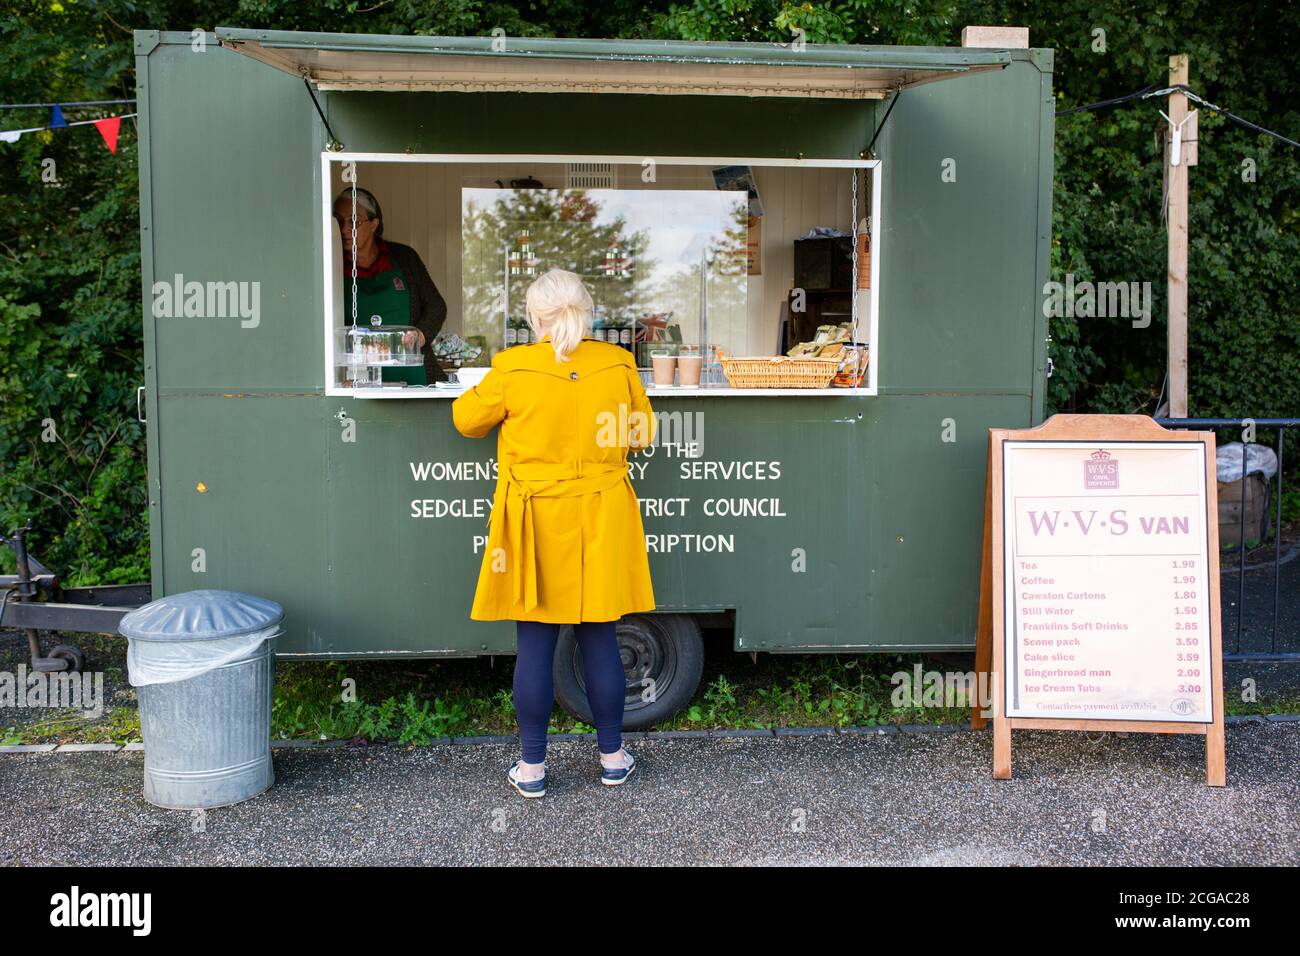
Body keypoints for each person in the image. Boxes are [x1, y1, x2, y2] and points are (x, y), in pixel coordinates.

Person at [451, 269, 656, 798]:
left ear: (534, 317)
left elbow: (467, 421)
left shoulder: (512, 367)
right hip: (602, 514)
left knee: (535, 644)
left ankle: (533, 769)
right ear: (587, 311)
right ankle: (612, 758)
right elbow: (641, 434)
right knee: (600, 638)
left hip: (537, 518)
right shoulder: (619, 362)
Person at [333, 186, 449, 384]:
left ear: (374, 224)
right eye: (338, 221)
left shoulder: (404, 258)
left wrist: (421, 334)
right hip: (356, 378)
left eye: (354, 221)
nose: (344, 229)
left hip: (413, 375)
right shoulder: (331, 265)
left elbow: (436, 306)